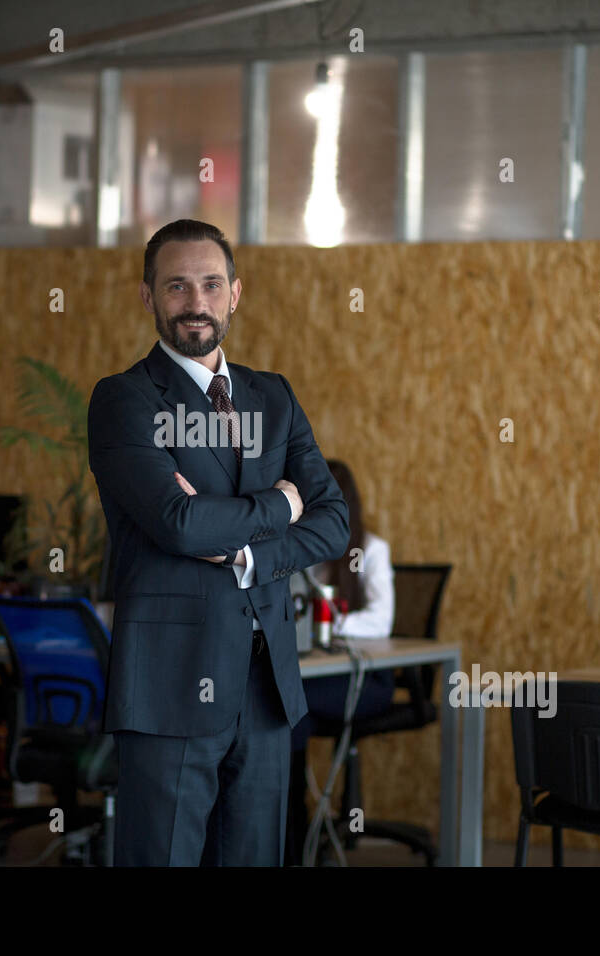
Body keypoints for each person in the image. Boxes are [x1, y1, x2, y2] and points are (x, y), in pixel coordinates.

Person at [87, 218, 349, 866]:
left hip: (264, 689)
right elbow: (178, 522)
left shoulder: (275, 397)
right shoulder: (125, 400)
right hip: (171, 688)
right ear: (149, 297)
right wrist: (281, 504)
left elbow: (334, 518)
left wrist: (249, 551)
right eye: (176, 287)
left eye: (209, 284)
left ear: (235, 293)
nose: (195, 302)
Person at [286, 459, 396, 865]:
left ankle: (295, 836)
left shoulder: (372, 551)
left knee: (290, 708)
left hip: (364, 684)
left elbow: (381, 620)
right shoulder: (305, 552)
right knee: (288, 710)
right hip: (316, 679)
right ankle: (294, 831)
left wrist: (328, 622)